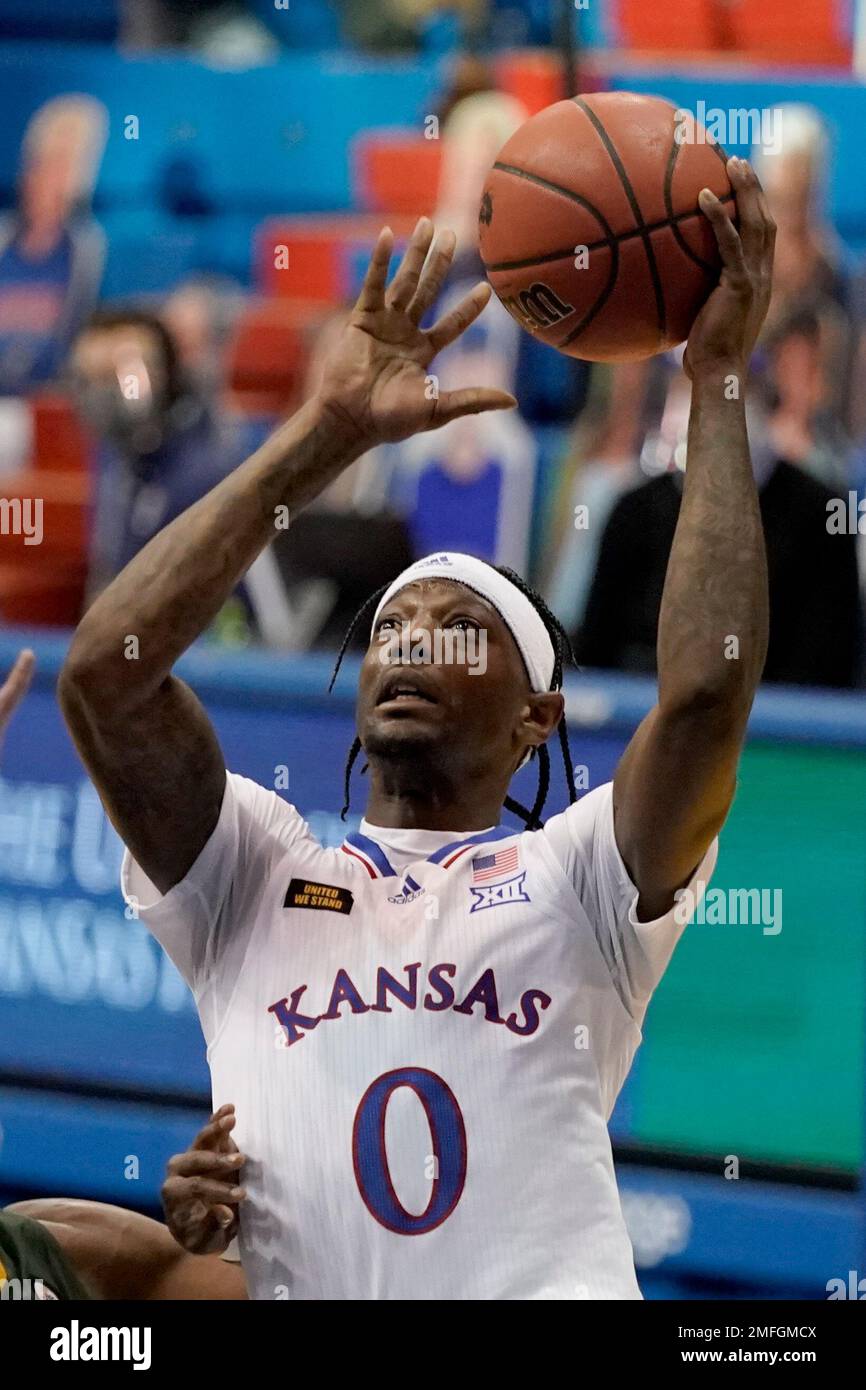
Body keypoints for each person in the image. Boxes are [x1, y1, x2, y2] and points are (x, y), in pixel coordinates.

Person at [59, 173, 773, 1300]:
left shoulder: (579, 876)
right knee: (48, 1252)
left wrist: (715, 378)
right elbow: (107, 677)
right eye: (391, 625)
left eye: (459, 628)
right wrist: (325, 433)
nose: (413, 643)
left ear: (536, 718)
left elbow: (704, 694)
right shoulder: (255, 866)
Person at [68, 307, 258, 606]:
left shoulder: (212, 472)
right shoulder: (114, 462)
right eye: (86, 379)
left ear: (163, 374)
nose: (98, 394)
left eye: (112, 376)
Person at [0, 96, 107, 396]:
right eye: (48, 165)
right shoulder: (3, 241)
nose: (58, 181)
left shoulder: (88, 253)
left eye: (70, 168)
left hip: (50, 402)